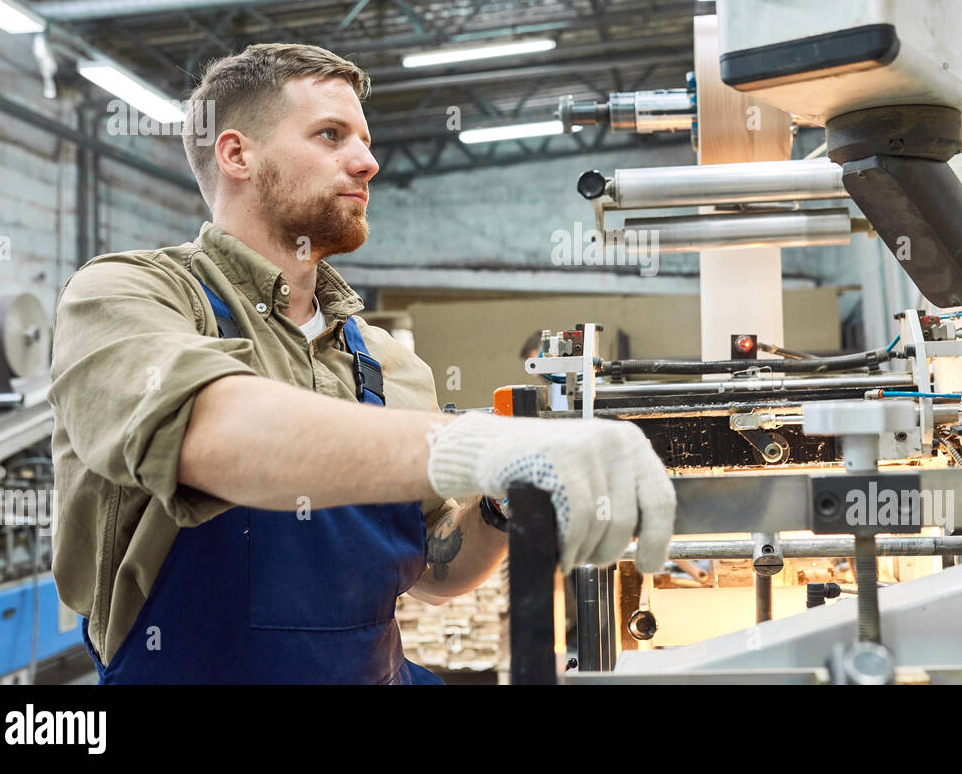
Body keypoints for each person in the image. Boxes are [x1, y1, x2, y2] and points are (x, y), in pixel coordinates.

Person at [48, 43, 675, 684]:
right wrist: (485, 441)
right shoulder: (127, 296)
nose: (368, 162)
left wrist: (498, 507)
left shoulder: (385, 361)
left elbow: (435, 568)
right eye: (330, 135)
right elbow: (213, 433)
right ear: (237, 153)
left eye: (365, 140)